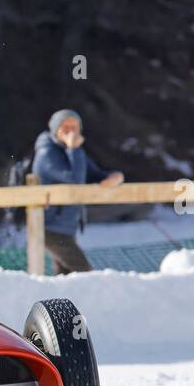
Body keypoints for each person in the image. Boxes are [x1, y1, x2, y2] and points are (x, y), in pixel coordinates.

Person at [31, 109, 124, 274]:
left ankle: (62, 300)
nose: (71, 131)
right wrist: (74, 148)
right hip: (50, 228)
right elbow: (75, 180)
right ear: (54, 128)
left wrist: (114, 176)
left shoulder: (71, 151)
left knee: (67, 278)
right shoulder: (47, 153)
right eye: (65, 127)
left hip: (66, 228)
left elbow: (93, 174)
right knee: (85, 274)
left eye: (74, 127)